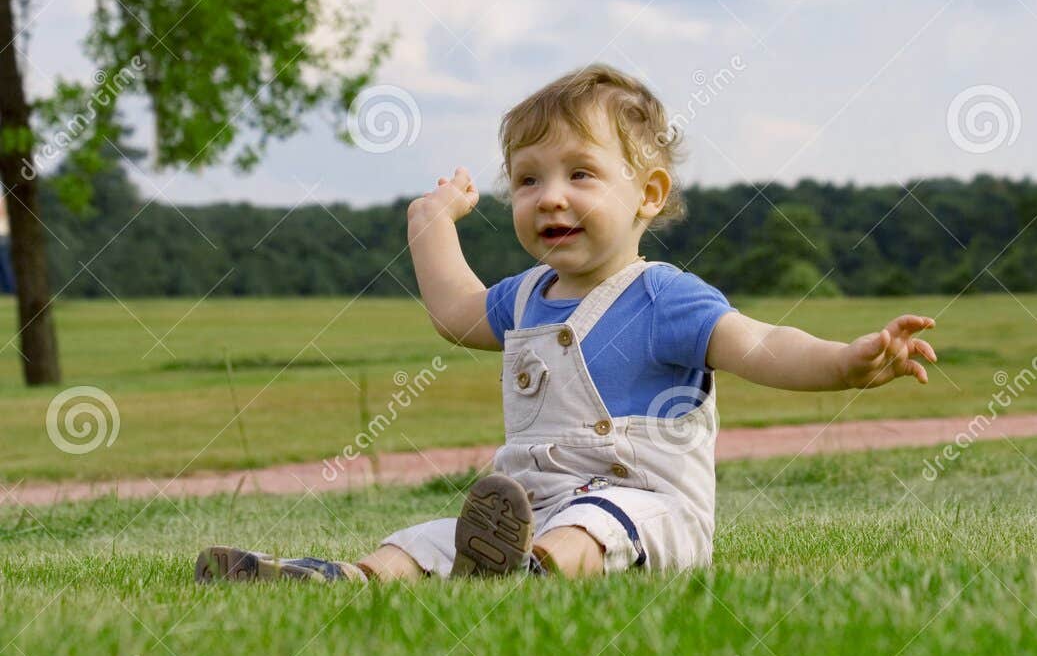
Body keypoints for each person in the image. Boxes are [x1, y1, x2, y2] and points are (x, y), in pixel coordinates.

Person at [195, 63, 936, 585]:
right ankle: (345, 578)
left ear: (647, 193)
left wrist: (846, 361)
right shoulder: (524, 297)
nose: (550, 196)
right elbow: (455, 311)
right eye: (528, 179)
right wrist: (430, 221)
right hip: (531, 506)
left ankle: (530, 574)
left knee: (592, 525)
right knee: (428, 540)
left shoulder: (664, 297)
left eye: (580, 173)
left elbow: (763, 344)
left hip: (649, 511)